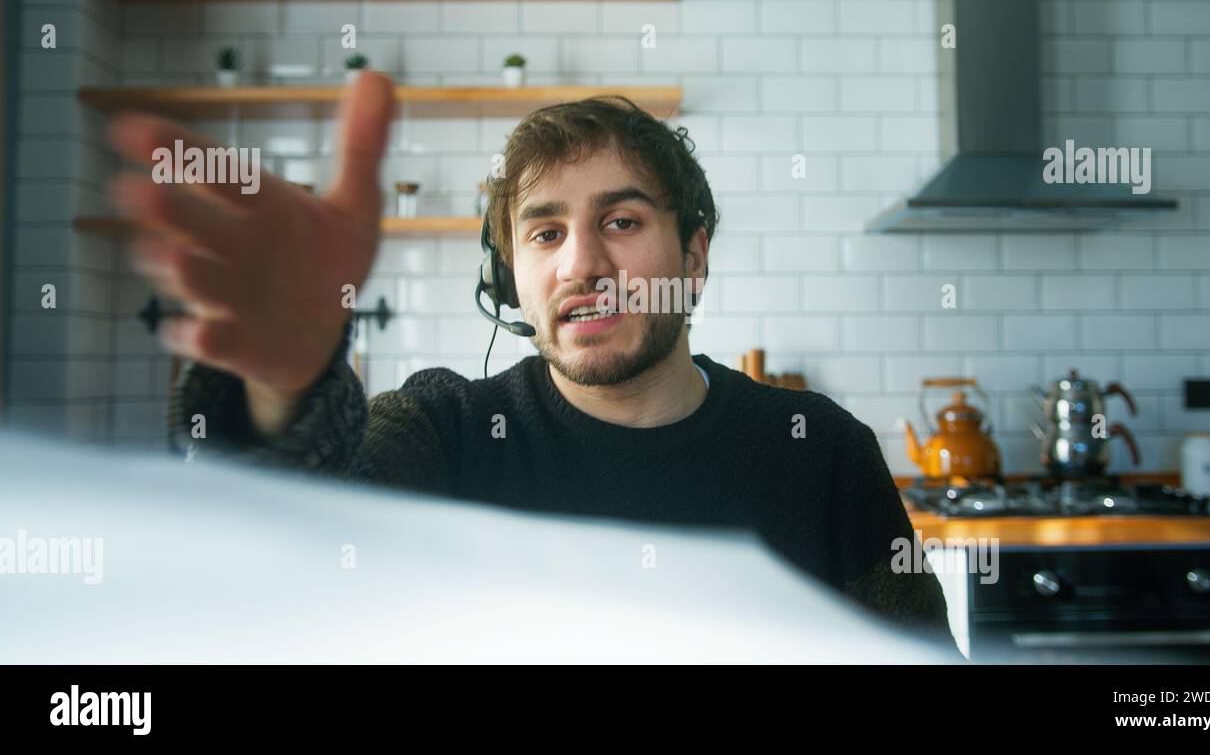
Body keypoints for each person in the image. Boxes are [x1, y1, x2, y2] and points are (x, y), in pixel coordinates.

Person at [108, 73, 959, 656]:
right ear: (510, 276)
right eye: (545, 232)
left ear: (693, 257)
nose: (580, 262)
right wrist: (282, 389)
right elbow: (291, 546)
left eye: (621, 221)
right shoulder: (445, 432)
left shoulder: (824, 454)